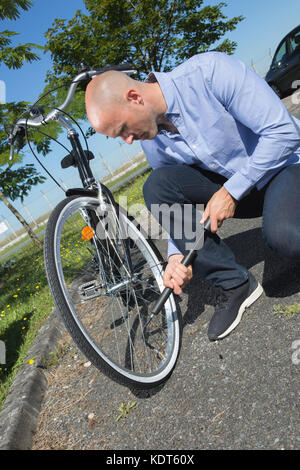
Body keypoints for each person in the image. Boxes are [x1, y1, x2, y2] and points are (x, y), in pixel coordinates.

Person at [85, 52, 300, 341]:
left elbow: (283, 133)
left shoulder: (209, 73)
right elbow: (177, 204)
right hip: (240, 194)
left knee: (287, 238)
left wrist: (230, 190)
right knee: (157, 185)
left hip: (286, 167)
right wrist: (176, 258)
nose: (128, 140)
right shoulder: (152, 142)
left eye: (123, 129)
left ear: (135, 96)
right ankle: (235, 285)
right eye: (119, 137)